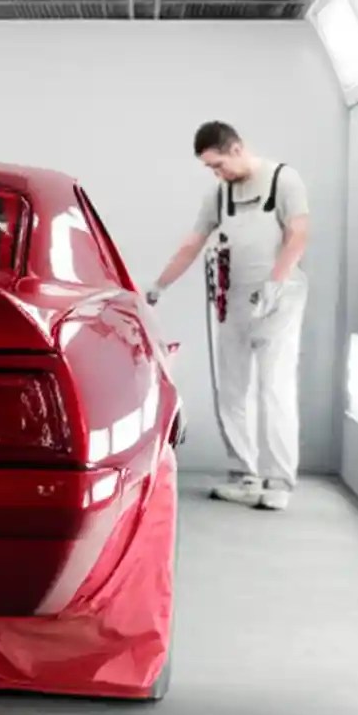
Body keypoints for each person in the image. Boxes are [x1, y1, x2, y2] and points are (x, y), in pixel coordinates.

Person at [146, 121, 310, 511]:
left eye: (219, 164)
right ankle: (245, 474)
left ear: (237, 148)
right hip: (231, 300)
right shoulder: (220, 195)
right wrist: (158, 286)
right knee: (232, 388)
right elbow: (192, 243)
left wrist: (276, 282)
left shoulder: (283, 181)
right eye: (211, 169)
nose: (218, 174)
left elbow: (298, 234)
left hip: (278, 299)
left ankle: (279, 480)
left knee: (274, 387)